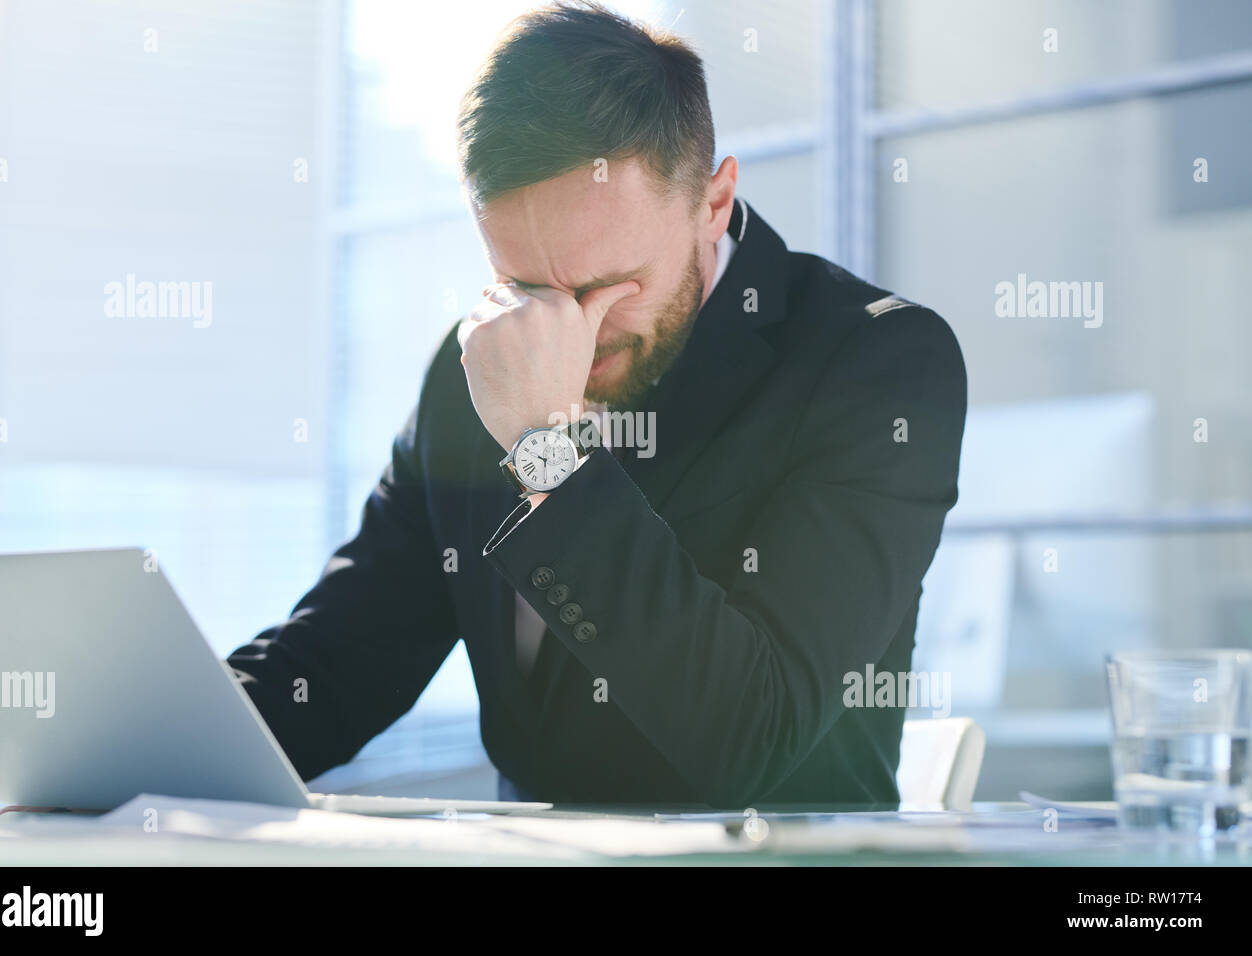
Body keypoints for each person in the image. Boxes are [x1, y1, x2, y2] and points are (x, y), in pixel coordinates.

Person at [228, 0, 967, 807]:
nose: (567, 329)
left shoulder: (877, 363)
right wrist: (119, 753)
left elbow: (752, 733)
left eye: (608, 286)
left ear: (712, 201)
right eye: (527, 285)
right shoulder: (483, 361)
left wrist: (546, 445)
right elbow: (339, 663)